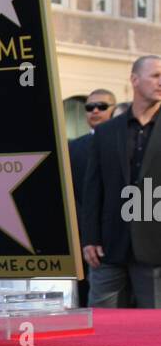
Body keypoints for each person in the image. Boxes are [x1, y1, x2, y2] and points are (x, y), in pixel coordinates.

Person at [81, 54, 161, 308]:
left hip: (156, 247)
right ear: (134, 80)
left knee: (154, 331)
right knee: (102, 325)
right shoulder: (106, 132)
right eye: (156, 75)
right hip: (109, 247)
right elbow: (93, 189)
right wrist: (90, 238)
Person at [68, 89, 116, 306]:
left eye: (102, 106)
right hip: (81, 234)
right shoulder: (72, 148)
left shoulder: (126, 142)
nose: (95, 111)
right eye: (89, 107)